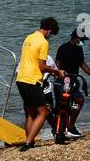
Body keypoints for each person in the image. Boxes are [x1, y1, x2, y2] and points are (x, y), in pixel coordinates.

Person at [15, 17, 61, 151]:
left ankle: (29, 140)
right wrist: (56, 72)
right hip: (32, 80)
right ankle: (28, 143)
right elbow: (42, 67)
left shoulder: (28, 38)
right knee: (43, 112)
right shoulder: (43, 42)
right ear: (50, 31)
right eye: (51, 34)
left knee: (30, 113)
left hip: (20, 78)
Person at [54, 28, 90, 139]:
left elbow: (82, 64)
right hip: (63, 80)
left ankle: (71, 125)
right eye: (81, 39)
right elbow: (57, 64)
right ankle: (58, 129)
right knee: (62, 105)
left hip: (74, 80)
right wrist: (57, 74)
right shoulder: (63, 48)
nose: (82, 42)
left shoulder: (79, 49)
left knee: (79, 100)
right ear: (75, 38)